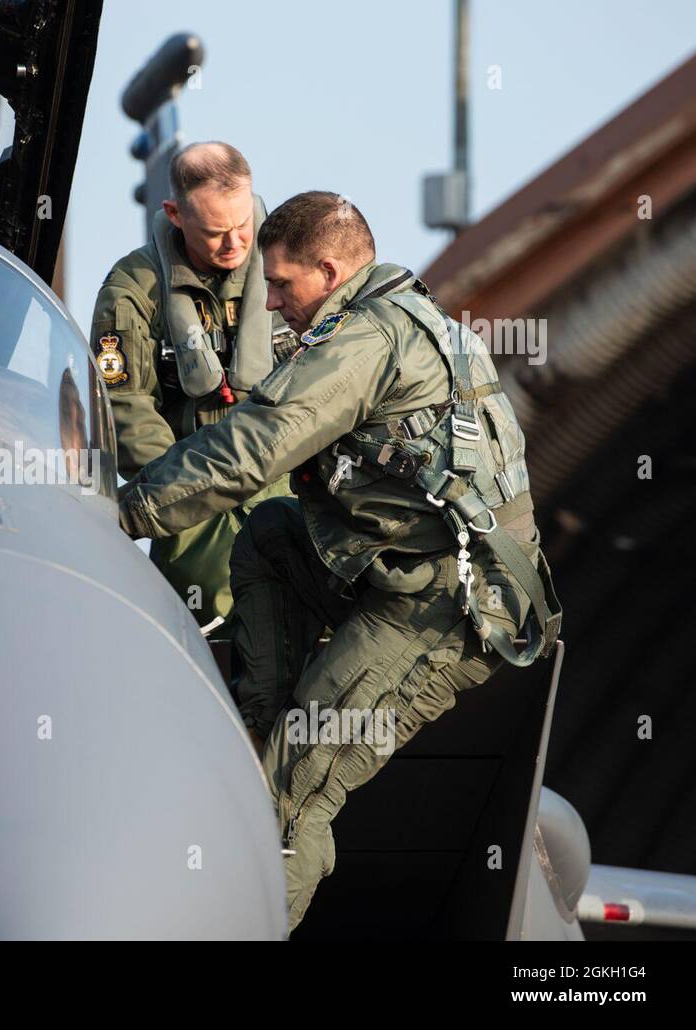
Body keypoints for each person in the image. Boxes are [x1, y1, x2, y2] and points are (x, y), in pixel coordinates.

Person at [116, 191, 562, 932]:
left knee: (290, 802)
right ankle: (264, 726)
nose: (276, 305)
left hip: (443, 610)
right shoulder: (402, 317)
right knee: (270, 536)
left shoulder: (367, 342)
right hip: (394, 570)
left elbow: (253, 447)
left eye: (284, 287)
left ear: (327, 271)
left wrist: (117, 515)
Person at [89, 142, 295, 627]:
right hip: (189, 505)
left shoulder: (292, 267)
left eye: (244, 226)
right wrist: (194, 501)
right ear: (174, 214)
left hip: (289, 492)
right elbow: (126, 410)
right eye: (216, 232)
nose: (236, 244)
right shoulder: (132, 290)